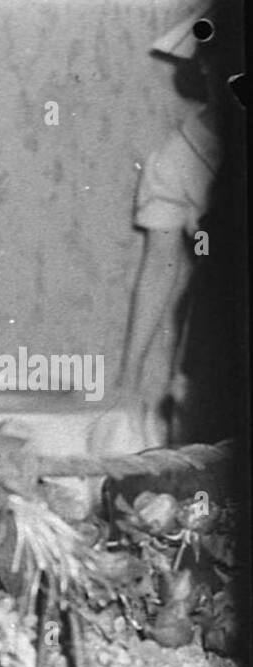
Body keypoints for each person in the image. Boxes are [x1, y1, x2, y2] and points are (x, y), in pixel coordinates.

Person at [121, 2, 245, 445]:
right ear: (204, 66)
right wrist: (128, 382)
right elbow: (160, 268)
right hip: (220, 335)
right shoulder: (178, 157)